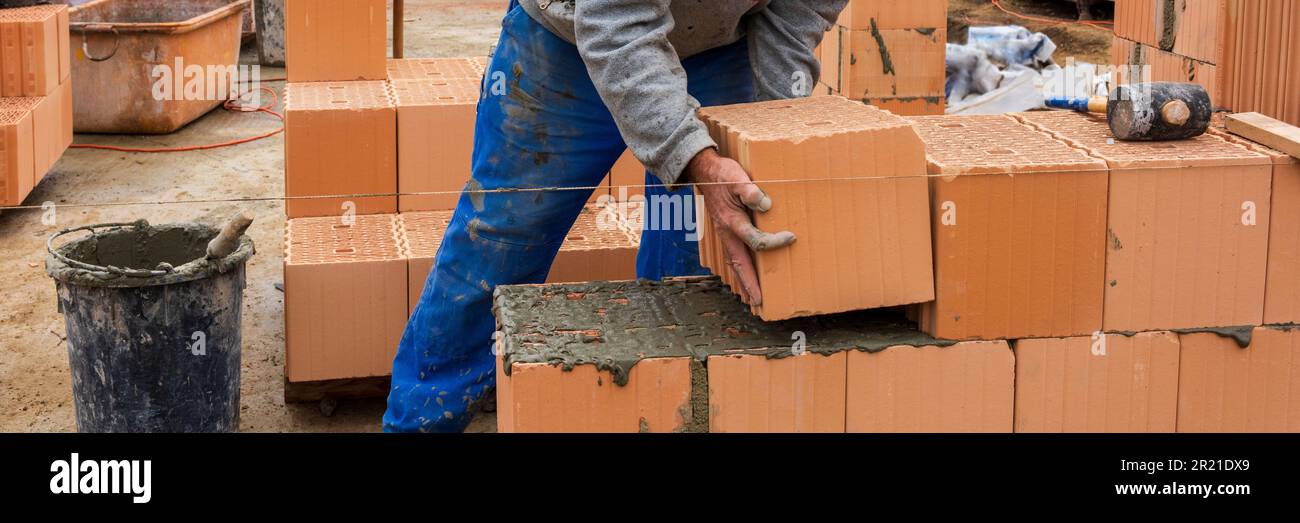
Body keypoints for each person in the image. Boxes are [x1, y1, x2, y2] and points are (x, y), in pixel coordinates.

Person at [385, 0, 847, 432]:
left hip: (719, 47)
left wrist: (776, 130)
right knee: (502, 238)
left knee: (698, 264)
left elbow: (798, 11)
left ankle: (671, 412)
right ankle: (422, 418)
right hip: (573, 37)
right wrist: (695, 159)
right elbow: (615, 23)